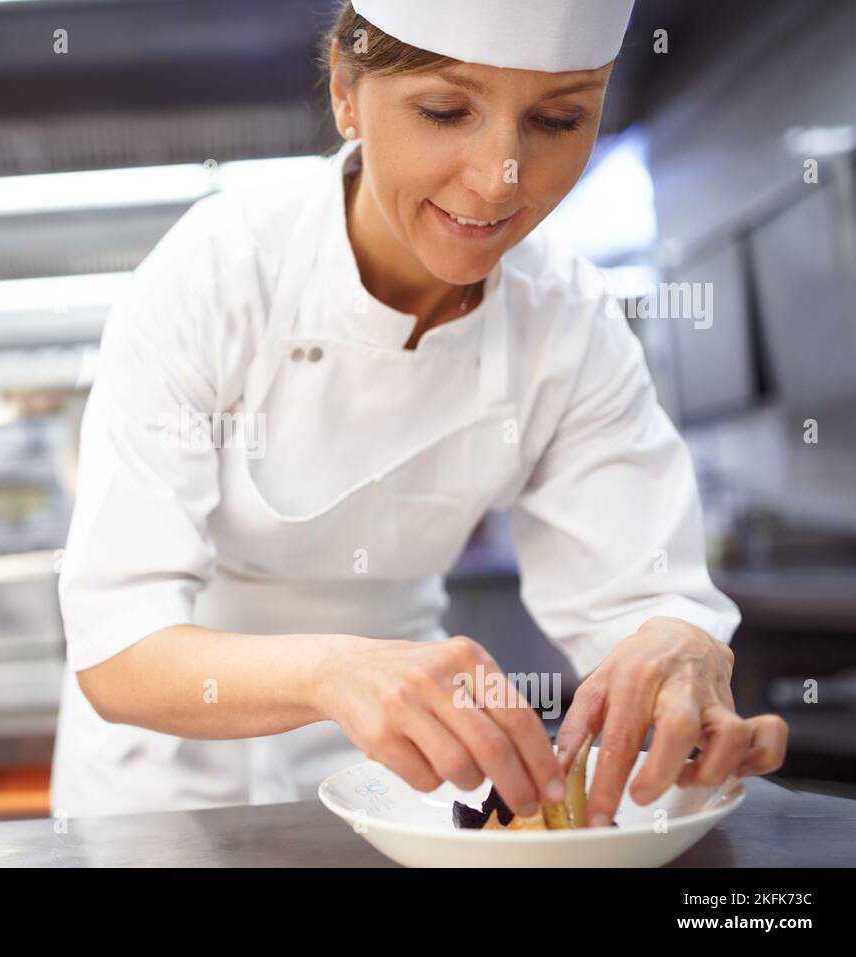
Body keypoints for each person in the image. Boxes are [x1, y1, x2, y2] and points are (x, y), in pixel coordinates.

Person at [49, 0, 789, 823]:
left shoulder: (567, 322)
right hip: (160, 785)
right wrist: (333, 671)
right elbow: (118, 648)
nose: (499, 177)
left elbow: (642, 595)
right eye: (445, 111)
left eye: (558, 118)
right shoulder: (220, 272)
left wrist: (676, 650)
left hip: (394, 778)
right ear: (345, 92)